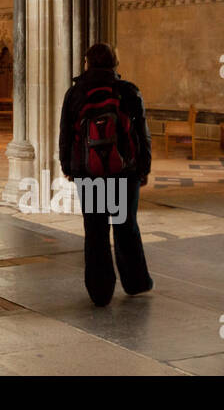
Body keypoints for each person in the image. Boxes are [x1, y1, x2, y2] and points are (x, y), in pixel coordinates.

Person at [58, 42, 154, 306]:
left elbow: (65, 134)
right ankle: (136, 283)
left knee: (96, 230)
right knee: (126, 226)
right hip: (125, 173)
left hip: (89, 173)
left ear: (87, 63)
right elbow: (143, 135)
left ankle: (100, 292)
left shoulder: (75, 93)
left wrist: (69, 168)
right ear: (115, 63)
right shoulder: (128, 91)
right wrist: (143, 169)